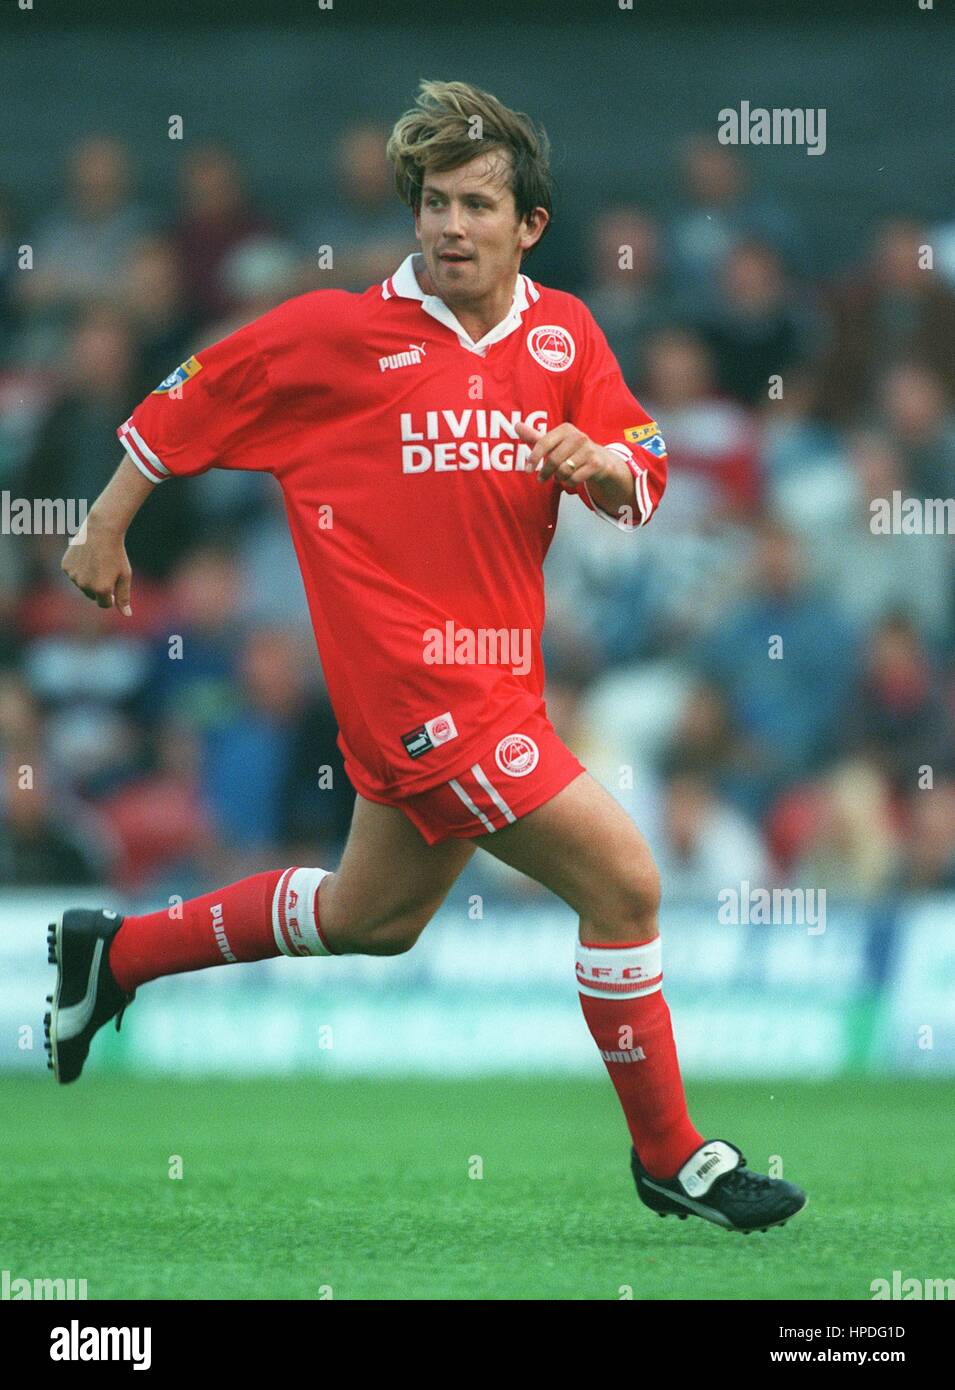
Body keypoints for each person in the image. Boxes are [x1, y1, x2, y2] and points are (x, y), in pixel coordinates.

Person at [50, 80, 805, 1235]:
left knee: (371, 917)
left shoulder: (565, 335)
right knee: (627, 886)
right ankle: (671, 1155)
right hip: (417, 697)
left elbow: (646, 466)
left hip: (504, 687)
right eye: (434, 203)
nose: (450, 226)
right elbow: (182, 399)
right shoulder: (333, 335)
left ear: (528, 225)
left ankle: (120, 953)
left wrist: (605, 469)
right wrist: (104, 526)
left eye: (475, 206)